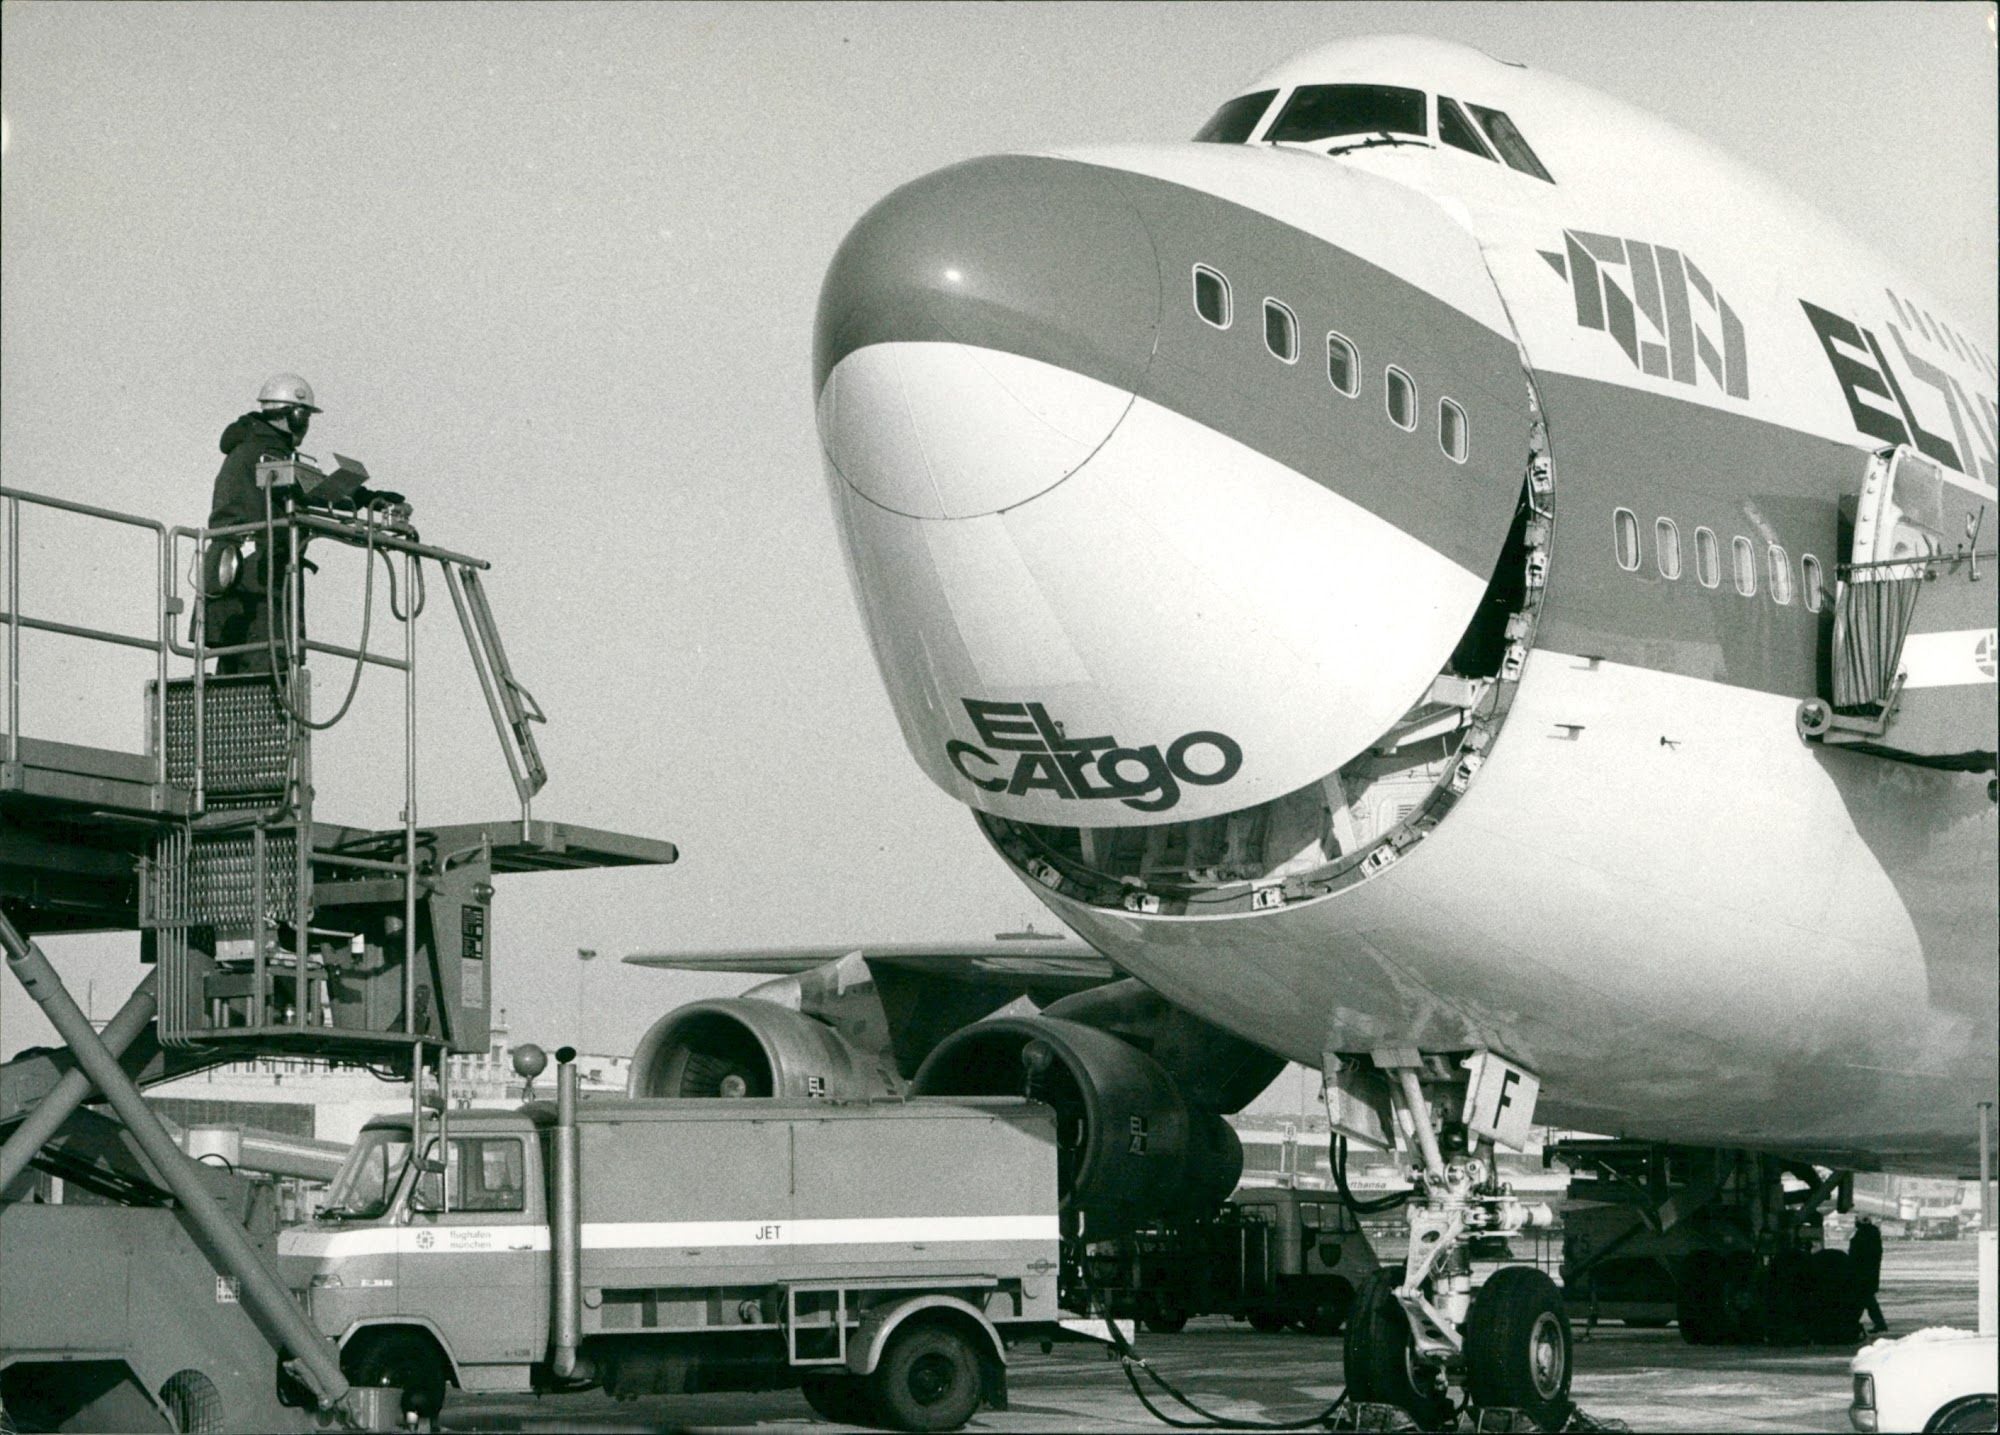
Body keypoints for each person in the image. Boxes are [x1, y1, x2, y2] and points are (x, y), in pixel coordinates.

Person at [205, 373, 321, 674]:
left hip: (235, 584)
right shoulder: (269, 453)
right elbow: (312, 486)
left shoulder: (249, 447)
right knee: (268, 676)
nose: (306, 427)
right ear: (294, 416)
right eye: (305, 418)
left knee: (233, 681)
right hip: (263, 585)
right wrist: (359, 496)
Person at [1850, 1216, 1888, 1335]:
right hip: (1869, 1274)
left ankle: (1878, 1324)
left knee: (1864, 1300)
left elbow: (1856, 1255)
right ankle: (1878, 1323)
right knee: (1866, 1300)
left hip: (1862, 1274)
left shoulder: (1862, 1236)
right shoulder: (1872, 1235)